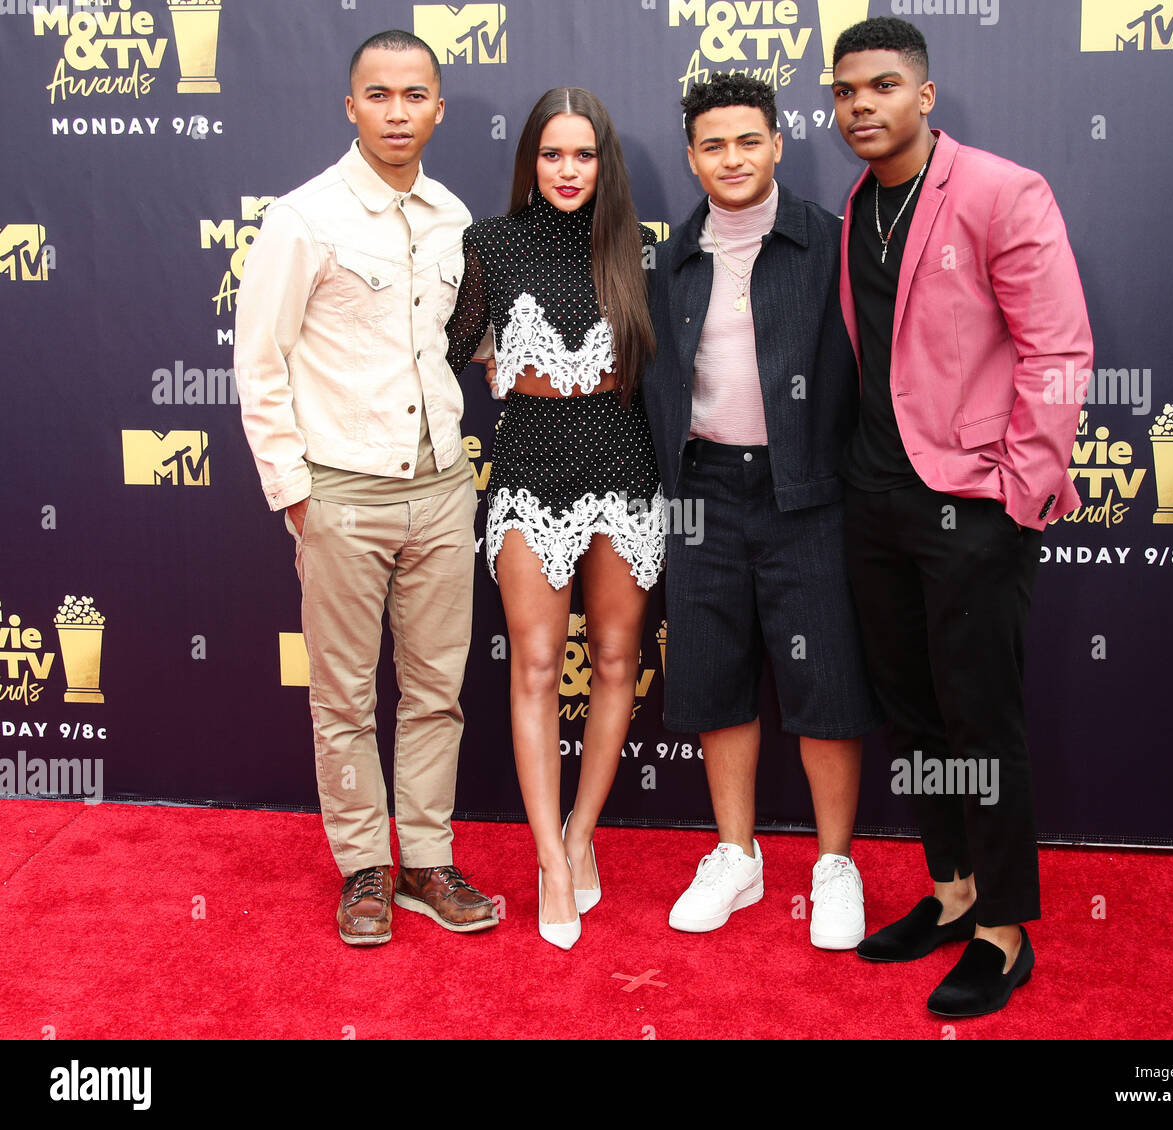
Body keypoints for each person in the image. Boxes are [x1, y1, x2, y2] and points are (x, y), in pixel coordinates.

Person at [831, 17, 1092, 1016]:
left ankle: (1002, 928)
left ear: (924, 96)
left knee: (980, 713)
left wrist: (1018, 494)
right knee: (914, 707)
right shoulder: (859, 203)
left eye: (883, 86)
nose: (862, 104)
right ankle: (951, 891)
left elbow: (1059, 347)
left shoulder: (999, 190)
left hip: (974, 499)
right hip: (876, 499)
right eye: (847, 89)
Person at [234, 30, 497, 946]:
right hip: (341, 493)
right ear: (351, 106)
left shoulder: (454, 216)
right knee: (343, 698)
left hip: (442, 485)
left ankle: (426, 859)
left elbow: (464, 346)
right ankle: (363, 871)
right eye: (377, 95)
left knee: (436, 690)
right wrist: (296, 496)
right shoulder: (304, 218)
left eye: (413, 95)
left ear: (437, 107)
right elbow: (258, 363)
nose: (396, 111)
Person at [642, 74, 881, 951]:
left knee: (827, 684)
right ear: (693, 156)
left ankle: (833, 865)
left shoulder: (830, 241)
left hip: (809, 493)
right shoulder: (671, 256)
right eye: (713, 144)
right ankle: (736, 855)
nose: (732, 158)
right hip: (702, 492)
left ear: (779, 144)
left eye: (749, 141)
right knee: (713, 672)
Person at [445, 88, 661, 951]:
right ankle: (548, 858)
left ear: (603, 163)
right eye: (551, 154)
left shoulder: (637, 251)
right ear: (529, 160)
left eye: (584, 155)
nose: (568, 171)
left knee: (615, 659)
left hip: (623, 459)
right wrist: (503, 359)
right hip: (531, 461)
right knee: (536, 666)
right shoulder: (488, 245)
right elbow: (455, 344)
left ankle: (580, 833)